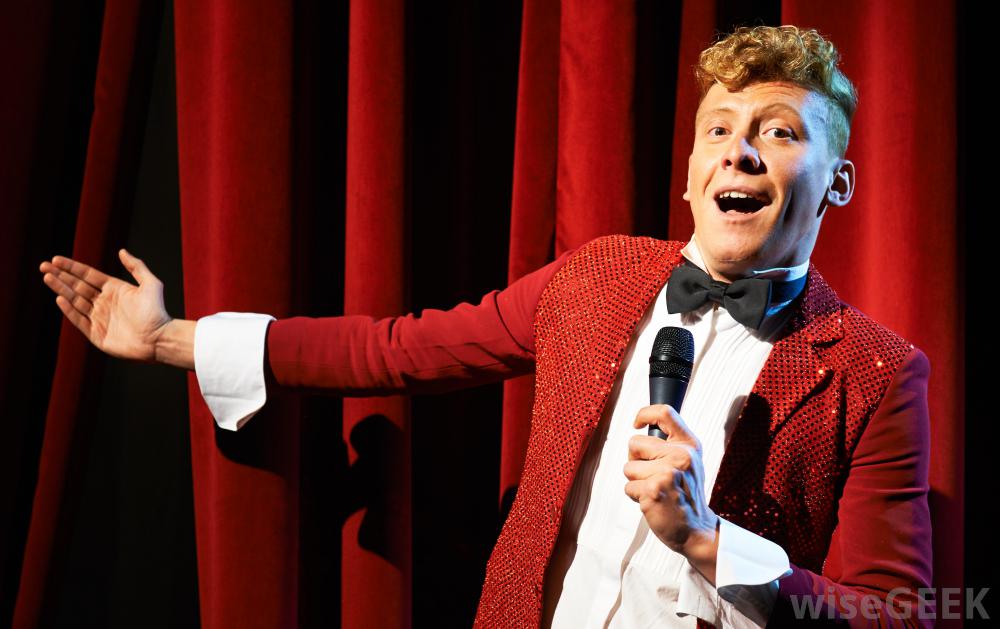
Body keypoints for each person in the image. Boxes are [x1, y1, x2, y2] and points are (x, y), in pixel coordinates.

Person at [39, 25, 933, 628]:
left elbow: (891, 612)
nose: (740, 148)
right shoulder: (599, 274)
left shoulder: (874, 370)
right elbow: (401, 347)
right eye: (719, 130)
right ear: (692, 175)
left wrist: (707, 539)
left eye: (778, 131)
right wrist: (175, 339)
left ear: (839, 183)